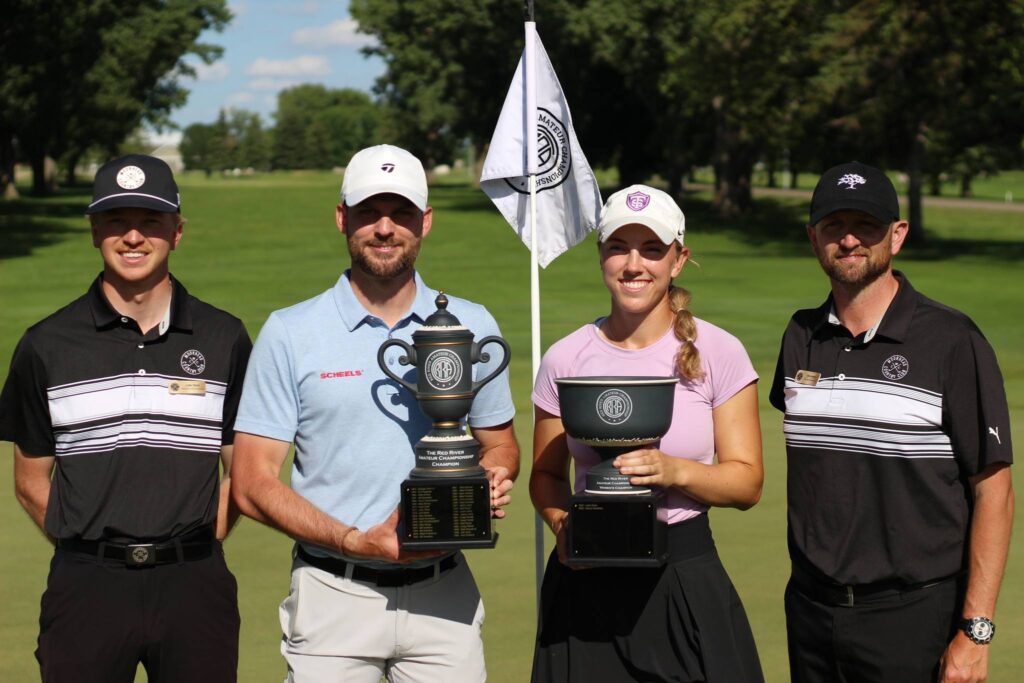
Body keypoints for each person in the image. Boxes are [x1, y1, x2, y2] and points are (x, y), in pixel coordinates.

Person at [230, 143, 519, 683]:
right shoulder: (290, 332)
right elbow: (250, 482)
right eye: (368, 212)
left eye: (402, 213)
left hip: (444, 595)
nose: (385, 229)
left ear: (425, 222)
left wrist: (493, 474)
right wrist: (352, 540)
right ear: (342, 218)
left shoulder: (471, 323)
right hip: (333, 591)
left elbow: (499, 443)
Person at [0, 154, 251, 682]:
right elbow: (29, 482)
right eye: (116, 220)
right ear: (94, 230)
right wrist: (91, 548)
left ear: (177, 232)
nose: (133, 237)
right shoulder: (45, 344)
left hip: (195, 585)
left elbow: (244, 469)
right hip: (86, 586)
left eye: (150, 221)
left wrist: (203, 539)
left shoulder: (223, 337)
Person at [770, 161, 1014, 683]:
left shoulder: (952, 341)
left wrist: (976, 632)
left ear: (897, 235)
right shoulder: (799, 336)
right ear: (813, 238)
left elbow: (994, 490)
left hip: (913, 617)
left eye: (867, 225)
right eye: (834, 226)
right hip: (810, 612)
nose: (850, 239)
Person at [530, 184, 765, 682]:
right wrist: (560, 525)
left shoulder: (719, 352)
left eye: (652, 249)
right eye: (619, 247)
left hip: (682, 574)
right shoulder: (564, 358)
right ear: (601, 255)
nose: (634, 264)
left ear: (678, 260)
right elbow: (547, 474)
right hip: (585, 581)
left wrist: (674, 470)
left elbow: (747, 485)